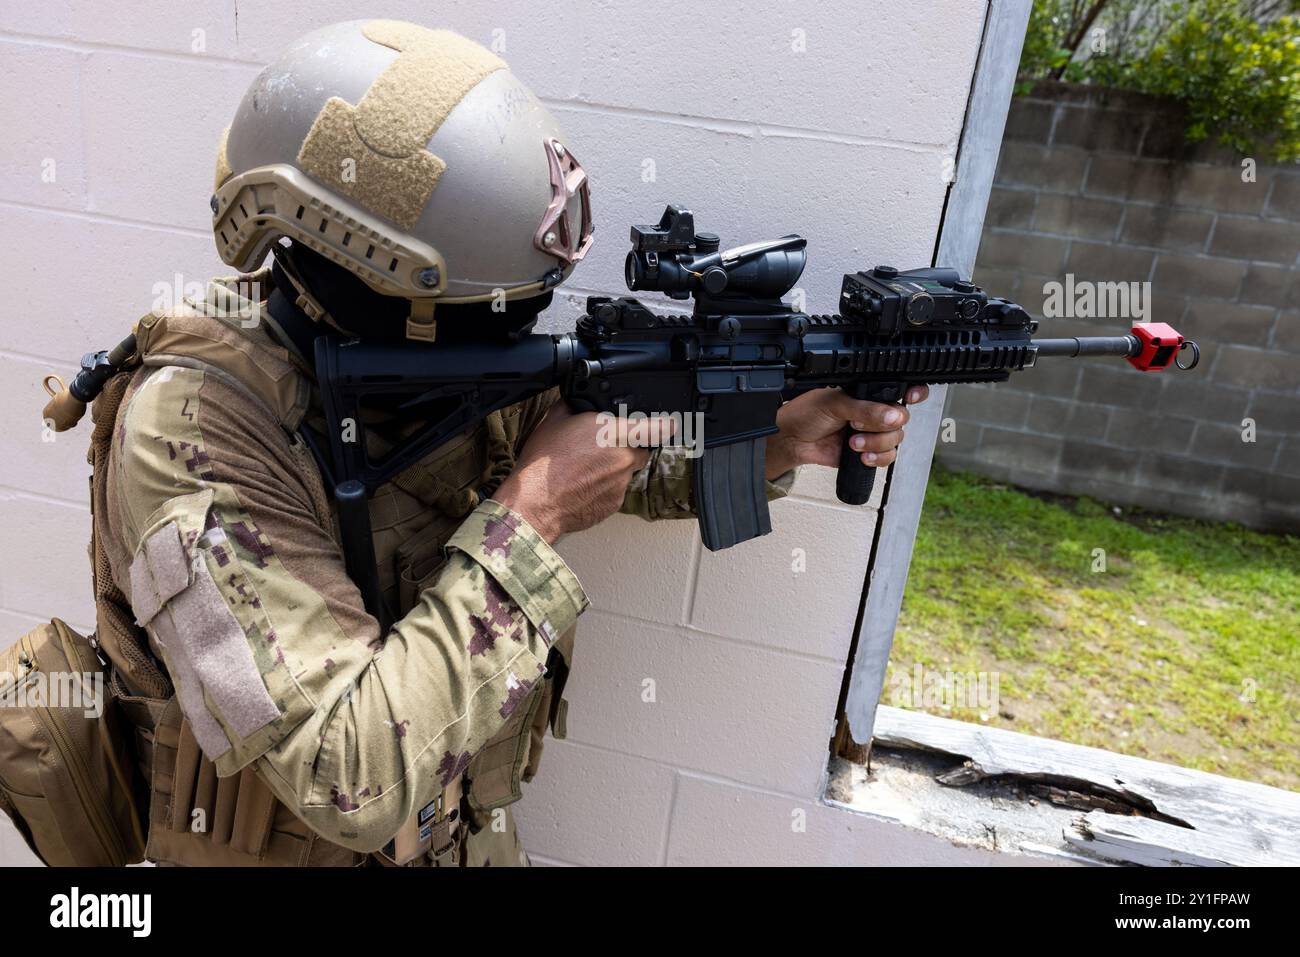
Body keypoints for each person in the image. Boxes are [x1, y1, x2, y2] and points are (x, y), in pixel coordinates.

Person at [92, 19, 927, 866]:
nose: (517, 337)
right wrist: (531, 519)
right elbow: (344, 777)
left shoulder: (439, 362)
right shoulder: (192, 434)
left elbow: (606, 459)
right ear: (391, 291)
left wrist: (778, 434)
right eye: (492, 316)